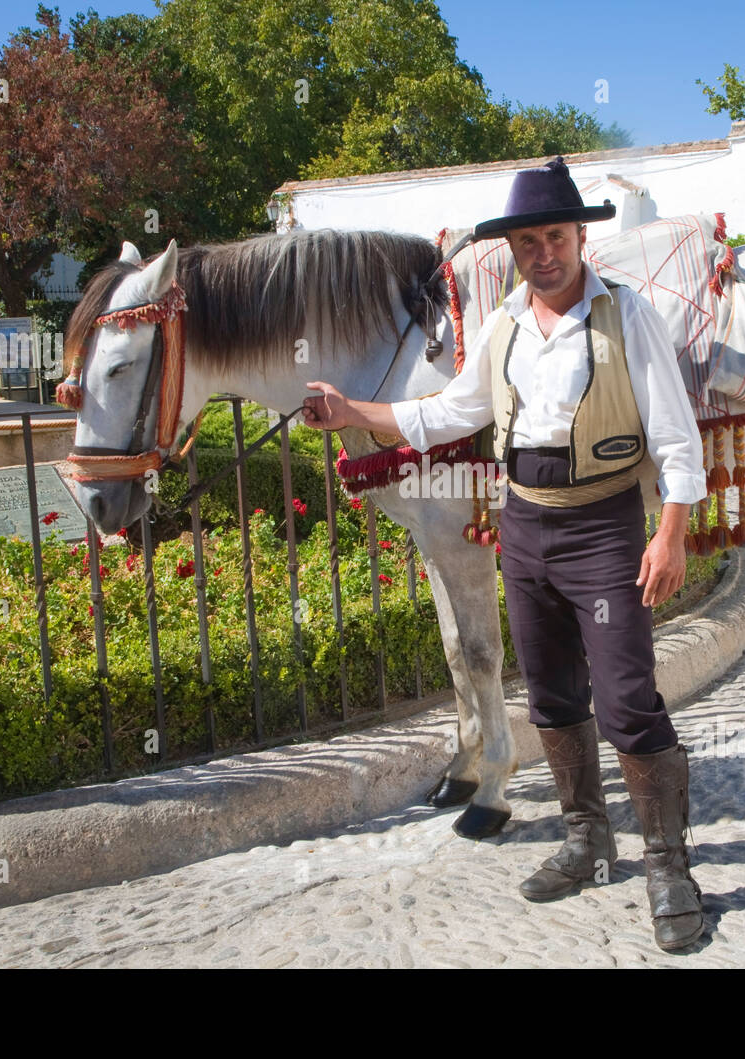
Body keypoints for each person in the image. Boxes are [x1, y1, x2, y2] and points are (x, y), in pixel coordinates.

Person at [301, 157, 708, 952]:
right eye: (528, 240)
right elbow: (454, 411)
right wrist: (353, 409)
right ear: (514, 247)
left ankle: (670, 867)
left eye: (554, 235)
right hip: (527, 524)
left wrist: (670, 531)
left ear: (579, 236)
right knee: (552, 697)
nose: (542, 252)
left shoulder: (628, 316)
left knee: (628, 699)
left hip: (603, 526)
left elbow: (674, 435)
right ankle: (589, 840)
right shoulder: (506, 324)